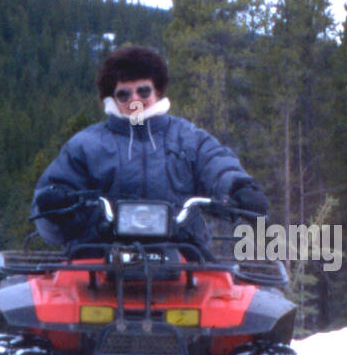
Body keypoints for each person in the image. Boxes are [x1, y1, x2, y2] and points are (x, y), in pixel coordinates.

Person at [31, 45, 269, 250]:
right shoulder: (86, 145)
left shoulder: (189, 138)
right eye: (123, 95)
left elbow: (216, 164)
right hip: (99, 256)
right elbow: (54, 192)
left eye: (143, 90)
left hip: (182, 254)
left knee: (242, 300)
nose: (134, 100)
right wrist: (56, 204)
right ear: (112, 100)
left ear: (158, 91)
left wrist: (238, 188)